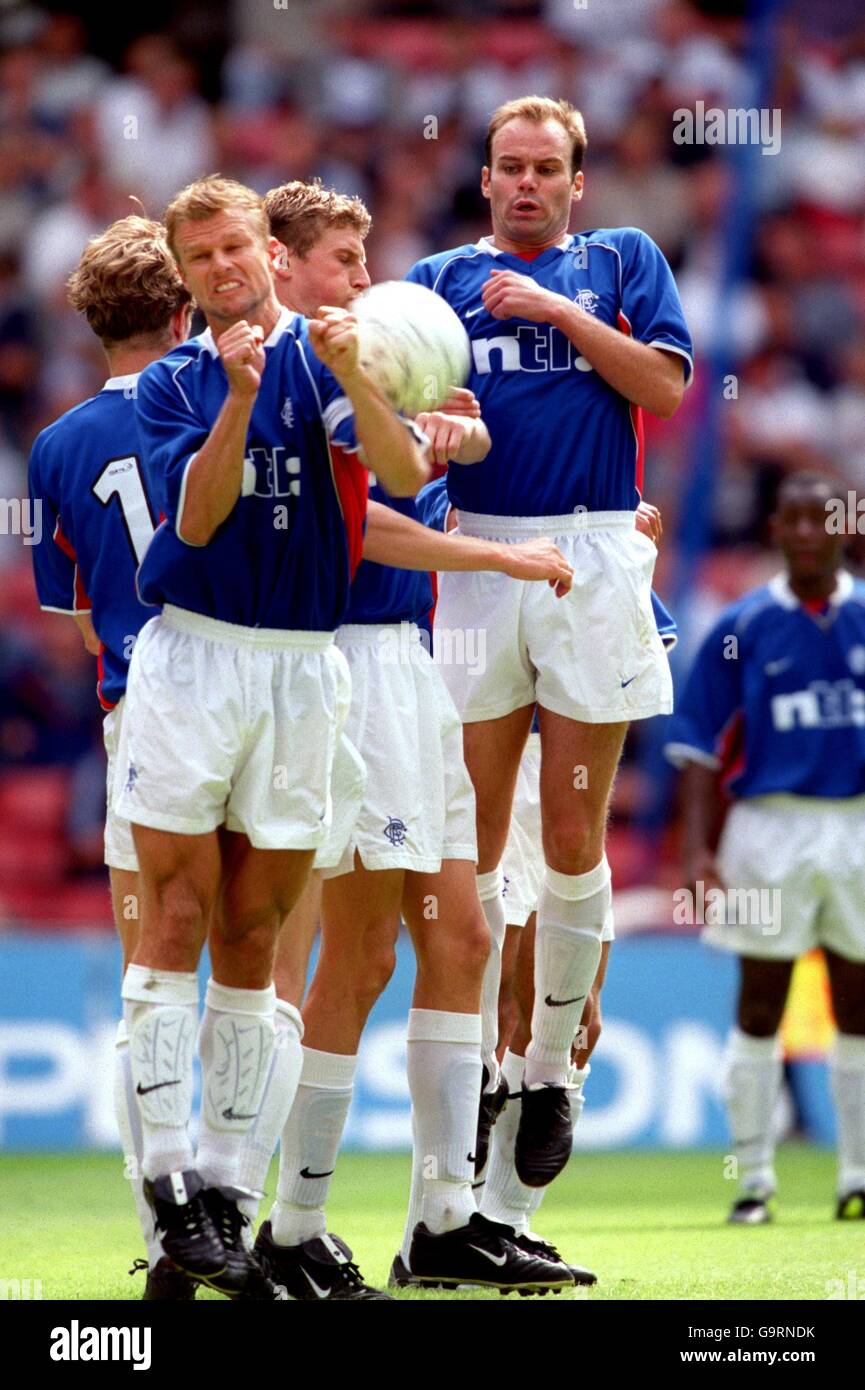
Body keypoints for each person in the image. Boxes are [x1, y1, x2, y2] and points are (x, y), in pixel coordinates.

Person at [233, 179, 577, 1298]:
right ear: (282, 263)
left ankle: (442, 1221)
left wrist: (443, 436)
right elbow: (359, 524)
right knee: (357, 952)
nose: (363, 275)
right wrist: (495, 555)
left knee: (460, 941)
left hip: (409, 669)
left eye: (365, 252)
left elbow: (410, 478)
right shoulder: (284, 368)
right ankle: (285, 1223)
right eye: (342, 256)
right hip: (345, 662)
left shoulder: (355, 356)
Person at [111, 175, 429, 1297]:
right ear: (183, 275)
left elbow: (399, 474)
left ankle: (228, 1201)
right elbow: (195, 519)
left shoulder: (329, 357)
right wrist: (239, 402)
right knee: (179, 915)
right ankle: (166, 1191)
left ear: (267, 250)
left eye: (234, 246)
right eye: (197, 259)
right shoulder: (171, 383)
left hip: (303, 667)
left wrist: (351, 374)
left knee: (254, 936)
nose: (221, 268)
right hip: (194, 658)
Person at [406, 95, 692, 1184]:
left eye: (546, 168)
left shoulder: (620, 261)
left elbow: (663, 386)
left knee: (572, 829)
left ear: (577, 182)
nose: (525, 182)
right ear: (482, 178)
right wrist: (434, 436)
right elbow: (401, 434)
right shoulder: (431, 287)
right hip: (479, 553)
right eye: (508, 166)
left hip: (590, 547)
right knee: (475, 836)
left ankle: (548, 1069)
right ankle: (480, 1059)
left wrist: (559, 316)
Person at [27, 215, 196, 1300]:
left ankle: (161, 1222)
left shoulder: (55, 445)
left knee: (153, 973)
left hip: (142, 711)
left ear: (90, 323)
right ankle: (242, 1211)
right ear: (183, 312)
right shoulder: (224, 403)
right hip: (258, 689)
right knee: (259, 967)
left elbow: (71, 620)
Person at [665, 472, 865, 1225]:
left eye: (822, 517)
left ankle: (855, 1176)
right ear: (774, 530)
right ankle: (752, 1181)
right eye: (794, 519)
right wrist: (697, 851)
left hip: (856, 823)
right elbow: (696, 747)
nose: (809, 531)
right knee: (758, 1007)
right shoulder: (739, 626)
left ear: (843, 526)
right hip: (766, 827)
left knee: (857, 1005)